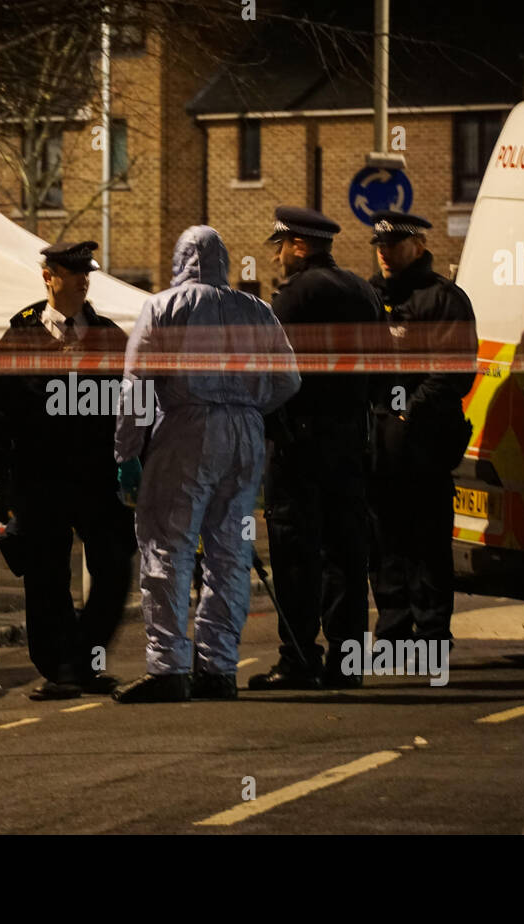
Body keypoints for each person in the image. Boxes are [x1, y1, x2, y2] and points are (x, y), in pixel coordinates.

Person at [112, 226, 300, 703]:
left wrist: (128, 452)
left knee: (167, 547)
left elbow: (137, 386)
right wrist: (249, 405)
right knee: (230, 553)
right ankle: (218, 667)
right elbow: (289, 380)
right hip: (245, 436)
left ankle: (169, 667)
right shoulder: (257, 309)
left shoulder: (163, 307)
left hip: (186, 429)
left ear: (180, 260)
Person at [0, 240, 136, 700]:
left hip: (97, 476)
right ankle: (60, 669)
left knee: (114, 566)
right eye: (74, 273)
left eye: (87, 273)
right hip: (39, 478)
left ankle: (83, 660)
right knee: (46, 576)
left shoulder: (108, 336)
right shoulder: (19, 338)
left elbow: (135, 402)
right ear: (49, 277)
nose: (84, 280)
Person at [250, 206, 384, 690]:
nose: (277, 257)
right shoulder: (363, 291)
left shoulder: (294, 296)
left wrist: (270, 426)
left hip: (298, 445)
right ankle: (348, 661)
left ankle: (299, 658)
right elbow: (383, 367)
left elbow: (269, 368)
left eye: (281, 247)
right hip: (349, 440)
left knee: (295, 554)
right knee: (346, 554)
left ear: (300, 246)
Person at [365, 211, 477, 646]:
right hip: (379, 441)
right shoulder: (371, 295)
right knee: (385, 543)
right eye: (380, 245)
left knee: (427, 543)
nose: (384, 253)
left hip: (425, 443)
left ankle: (431, 635)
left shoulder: (444, 299)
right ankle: (393, 632)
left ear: (418, 245)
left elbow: (454, 372)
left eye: (393, 245)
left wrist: (408, 415)